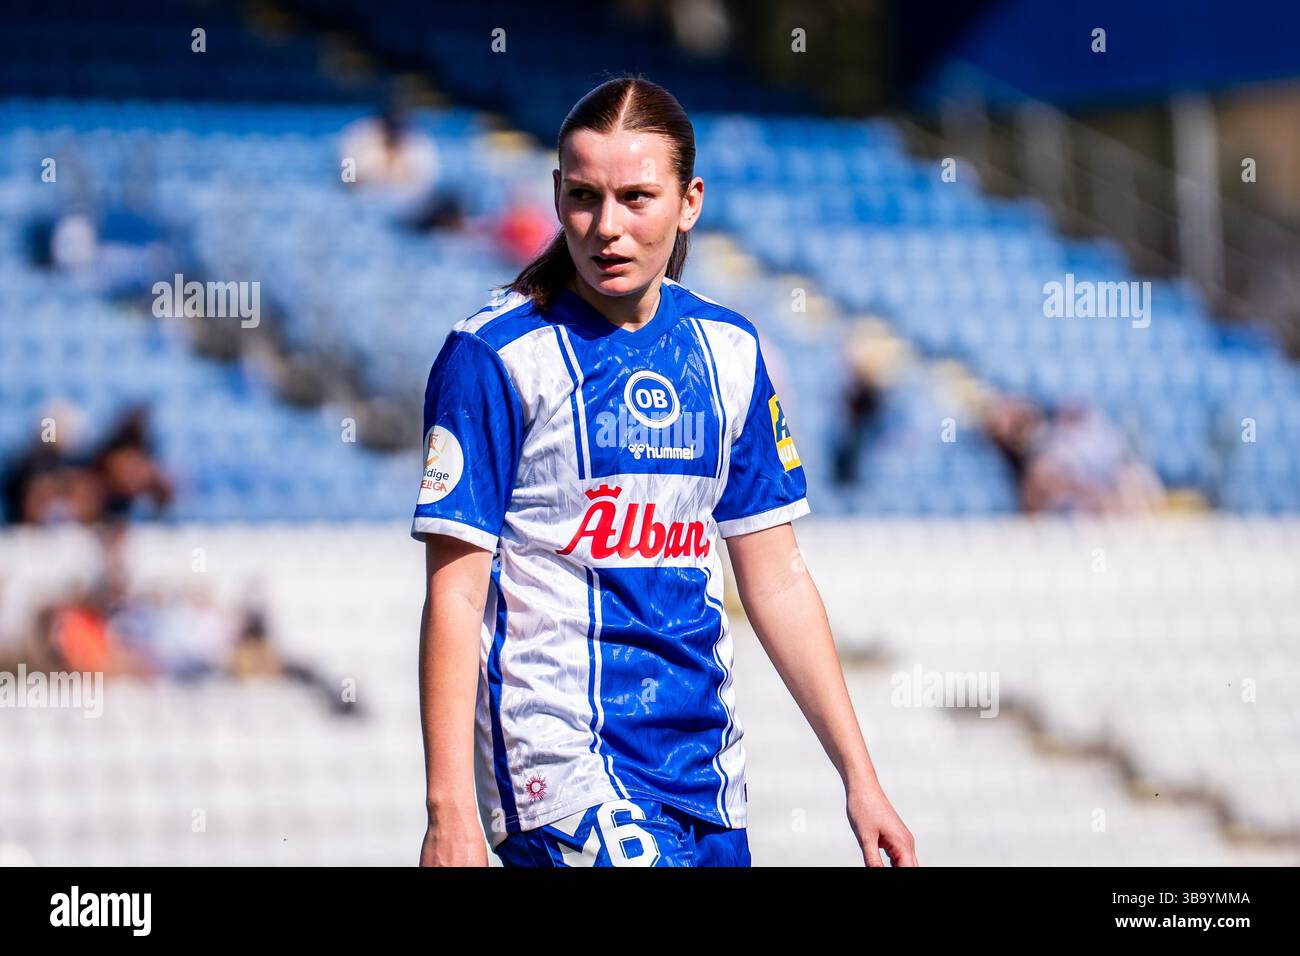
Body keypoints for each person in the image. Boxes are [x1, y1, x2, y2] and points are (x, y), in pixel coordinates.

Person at [412, 76, 915, 868]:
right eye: (583, 197)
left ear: (690, 202)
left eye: (636, 198)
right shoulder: (495, 356)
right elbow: (456, 589)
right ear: (555, 196)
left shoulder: (733, 353)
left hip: (705, 772)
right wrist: (449, 811)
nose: (605, 227)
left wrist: (860, 776)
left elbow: (777, 580)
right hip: (559, 763)